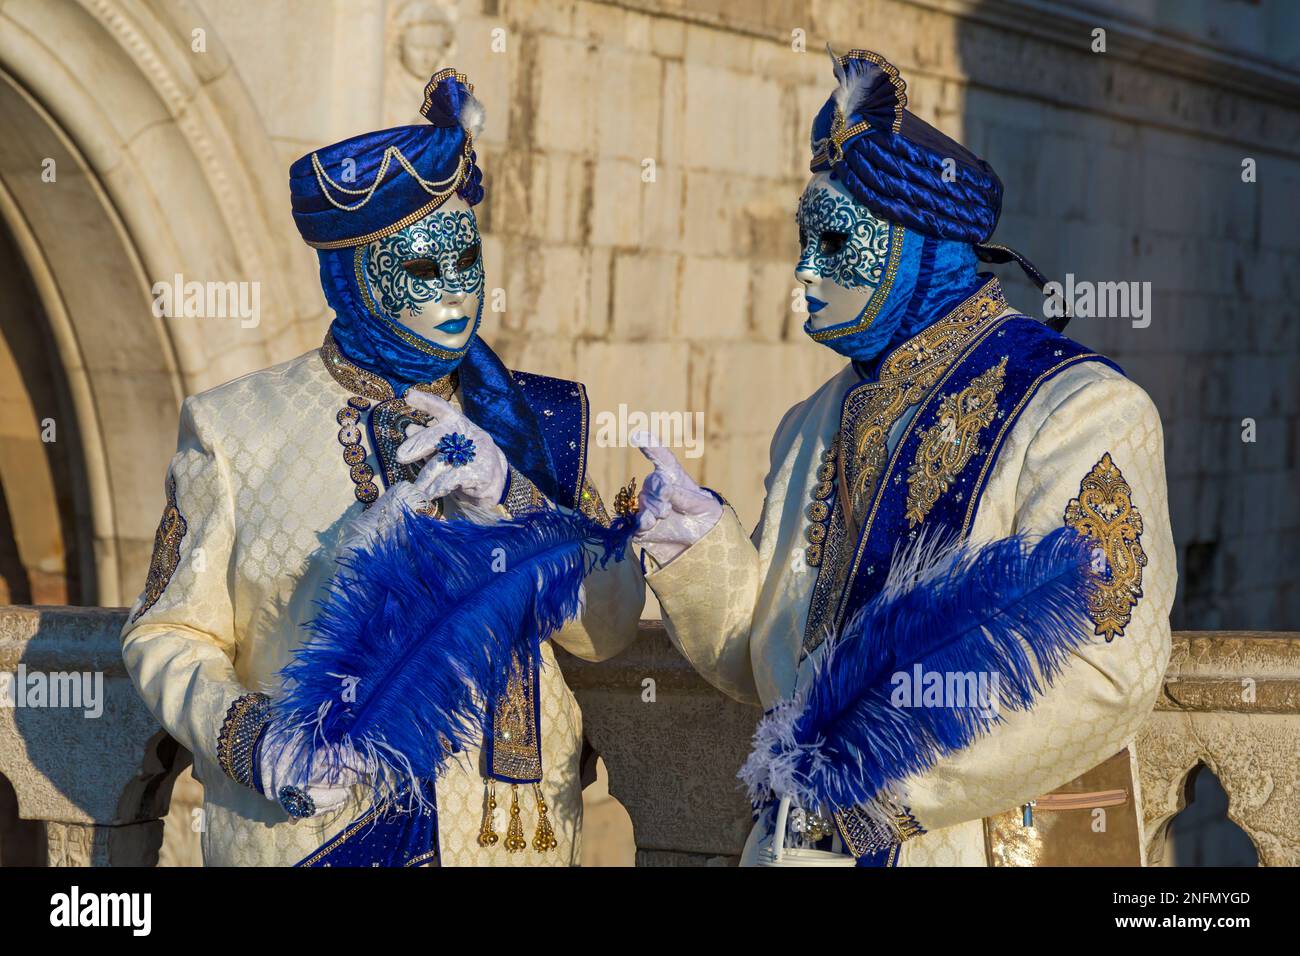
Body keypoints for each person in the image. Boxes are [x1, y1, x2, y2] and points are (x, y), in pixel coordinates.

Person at [633, 49, 1174, 866]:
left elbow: (1106, 667)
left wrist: (871, 785)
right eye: (801, 241)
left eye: (836, 242)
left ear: (923, 246)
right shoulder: (814, 422)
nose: (804, 274)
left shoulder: (1079, 409)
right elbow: (769, 662)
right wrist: (698, 552)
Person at [121, 69, 644, 867]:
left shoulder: (532, 425)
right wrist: (255, 740)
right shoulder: (233, 430)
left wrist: (513, 495)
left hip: (505, 842)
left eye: (467, 259)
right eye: (425, 269)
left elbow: (604, 629)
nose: (459, 293)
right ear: (354, 275)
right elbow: (167, 632)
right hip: (311, 836)